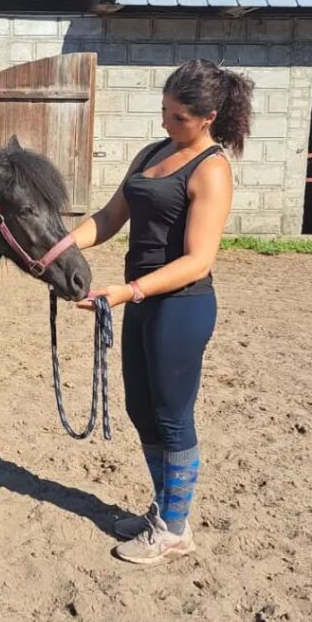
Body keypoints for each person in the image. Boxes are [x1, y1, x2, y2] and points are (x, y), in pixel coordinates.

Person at [67, 59, 253, 565]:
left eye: (177, 117)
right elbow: (109, 217)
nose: (166, 124)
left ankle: (174, 529)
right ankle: (167, 509)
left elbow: (198, 260)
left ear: (208, 117)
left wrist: (128, 292)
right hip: (142, 299)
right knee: (140, 409)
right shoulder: (154, 153)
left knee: (172, 416)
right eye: (164, 111)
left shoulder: (211, 169)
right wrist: (64, 245)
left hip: (180, 304)